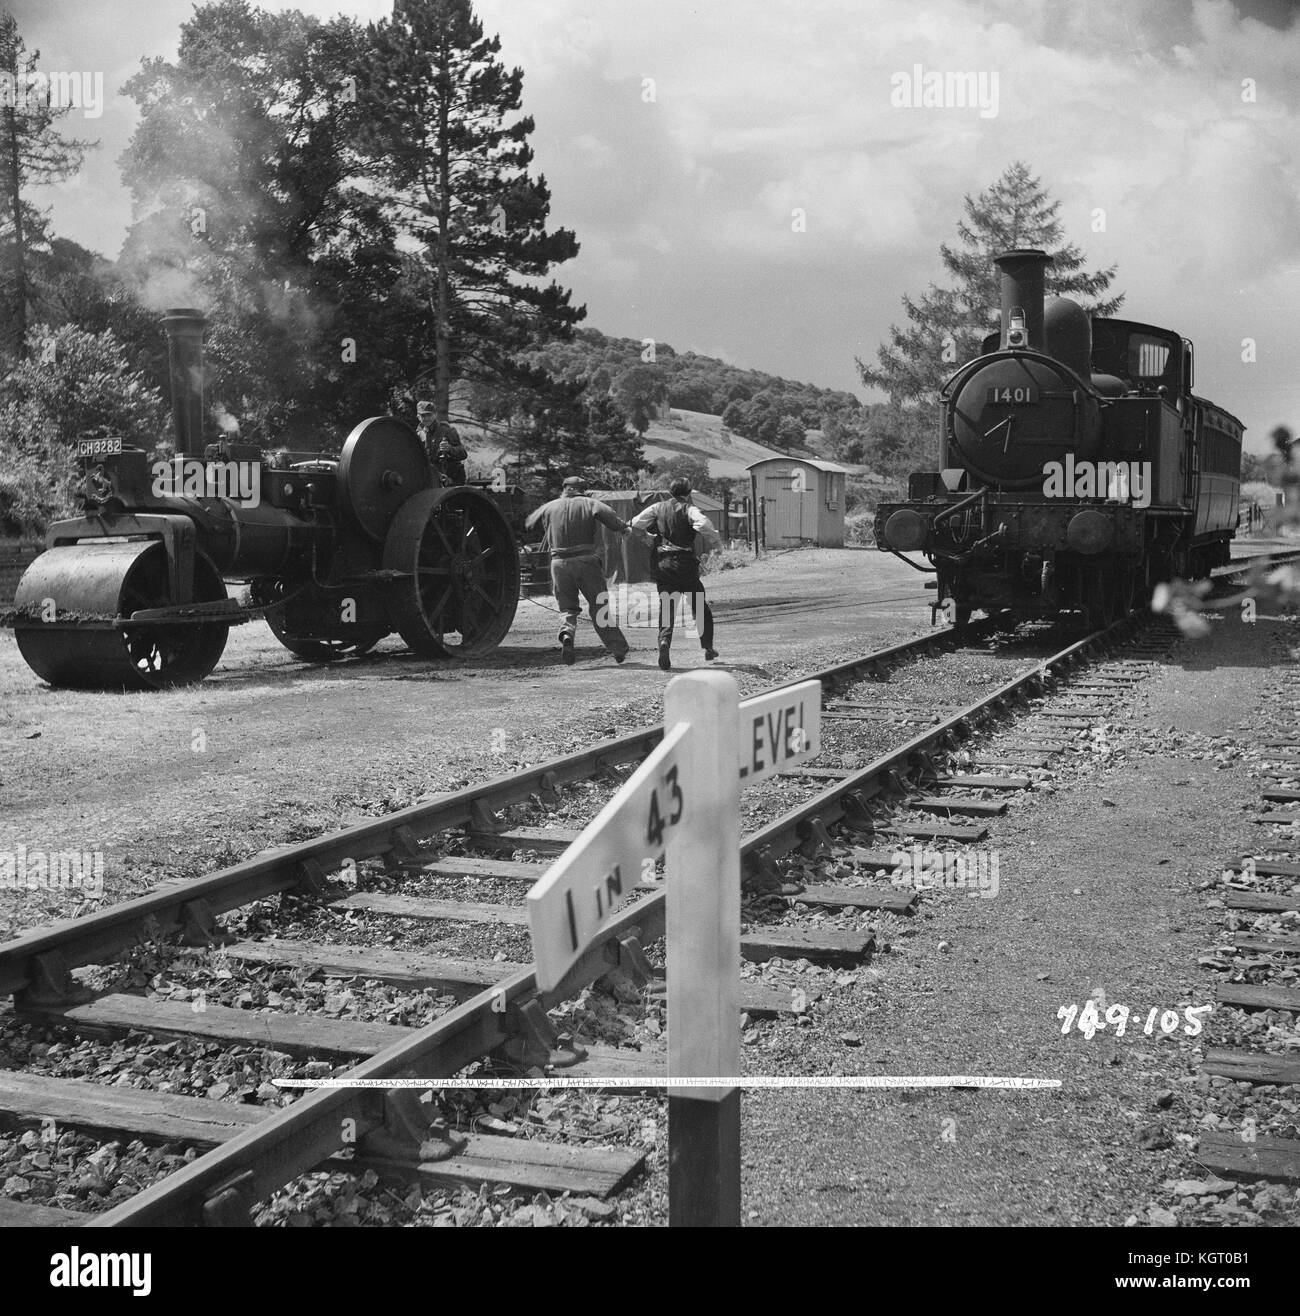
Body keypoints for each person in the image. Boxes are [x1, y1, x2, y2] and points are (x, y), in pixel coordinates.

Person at [525, 476, 632, 664]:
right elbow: (612, 519)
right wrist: (624, 528)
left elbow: (530, 523)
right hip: (585, 561)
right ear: (584, 490)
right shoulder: (590, 503)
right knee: (599, 605)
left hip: (558, 563)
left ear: (564, 489)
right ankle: (618, 648)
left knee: (567, 607)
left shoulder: (549, 507)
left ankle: (567, 633)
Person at [630, 477, 721, 670]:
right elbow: (703, 524)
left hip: (663, 564)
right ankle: (708, 647)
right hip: (685, 565)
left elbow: (636, 523)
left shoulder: (657, 508)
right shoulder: (689, 509)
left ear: (670, 492)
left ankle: (664, 642)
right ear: (688, 493)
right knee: (699, 606)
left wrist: (648, 537)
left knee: (667, 608)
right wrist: (716, 543)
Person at [415, 401, 467, 486]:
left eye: (429, 415)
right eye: (423, 416)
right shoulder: (419, 434)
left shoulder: (446, 430)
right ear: (418, 417)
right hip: (431, 479)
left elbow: (463, 453)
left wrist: (450, 449)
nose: (427, 418)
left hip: (450, 479)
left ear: (435, 415)